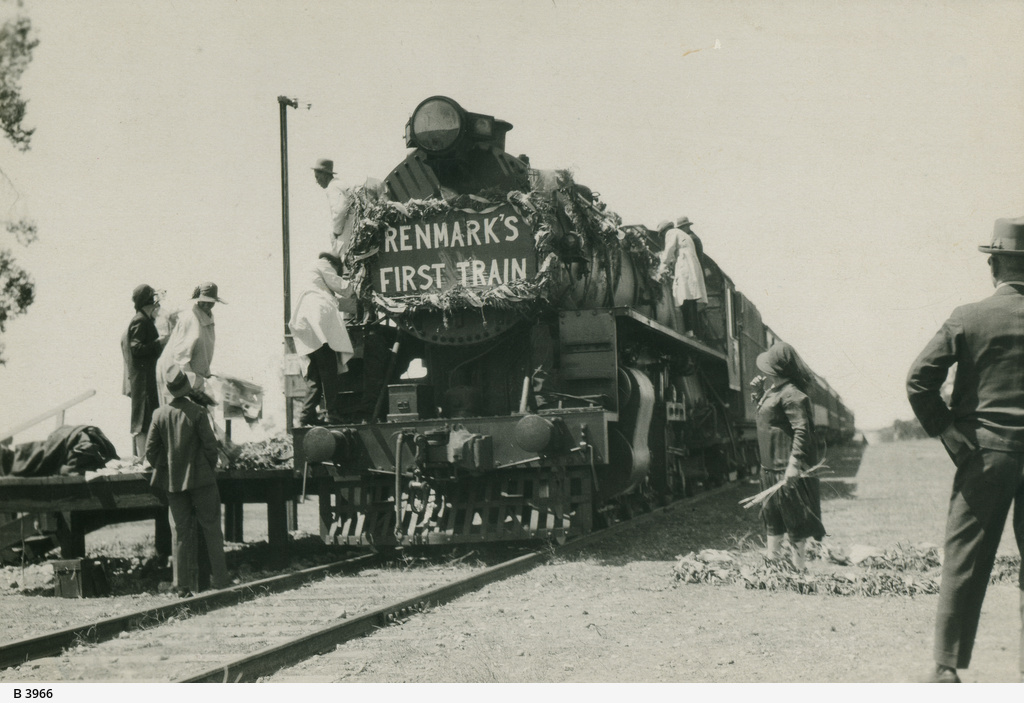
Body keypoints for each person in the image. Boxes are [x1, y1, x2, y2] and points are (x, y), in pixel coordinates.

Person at [906, 216, 1024, 684]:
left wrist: (951, 435)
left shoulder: (968, 316)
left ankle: (946, 667)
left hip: (985, 455)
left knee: (966, 559)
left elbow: (919, 381)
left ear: (992, 264)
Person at [146, 364, 230, 595]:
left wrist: (166, 468)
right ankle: (221, 580)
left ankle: (181, 585)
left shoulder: (159, 415)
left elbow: (150, 452)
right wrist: (206, 468)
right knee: (212, 528)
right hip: (202, 481)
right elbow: (211, 448)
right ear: (186, 387)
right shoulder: (198, 413)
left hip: (173, 483)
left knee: (180, 534)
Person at [753, 341, 826, 570]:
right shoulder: (773, 392)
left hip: (784, 470)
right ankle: (773, 564)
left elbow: (802, 430)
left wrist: (794, 464)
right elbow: (771, 419)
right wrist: (757, 396)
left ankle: (798, 568)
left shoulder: (792, 394)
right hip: (769, 469)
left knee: (795, 521)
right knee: (772, 519)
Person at [289, 253, 356, 426]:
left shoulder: (308, 275)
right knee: (329, 370)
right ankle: (332, 414)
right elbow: (342, 287)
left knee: (314, 376)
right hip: (317, 320)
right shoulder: (323, 264)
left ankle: (306, 416)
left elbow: (335, 299)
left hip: (304, 323)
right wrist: (359, 284)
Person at [157, 282, 225, 405]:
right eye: (203, 301)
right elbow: (181, 358)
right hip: (176, 376)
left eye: (210, 302)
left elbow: (203, 351)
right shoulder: (190, 319)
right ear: (197, 300)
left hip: (194, 376)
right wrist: (192, 387)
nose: (206, 304)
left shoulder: (208, 318)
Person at [121, 284, 167, 457]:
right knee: (143, 419)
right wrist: (159, 343)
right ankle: (144, 458)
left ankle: (146, 458)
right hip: (143, 380)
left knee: (147, 417)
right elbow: (136, 348)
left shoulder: (143, 319)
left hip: (145, 378)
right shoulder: (140, 320)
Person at [657, 218, 708, 337]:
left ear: (664, 231)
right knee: (691, 300)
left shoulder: (672, 233)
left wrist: (660, 269)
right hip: (690, 266)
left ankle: (689, 331)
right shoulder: (683, 235)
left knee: (685, 298)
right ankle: (692, 331)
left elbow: (669, 250)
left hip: (685, 267)